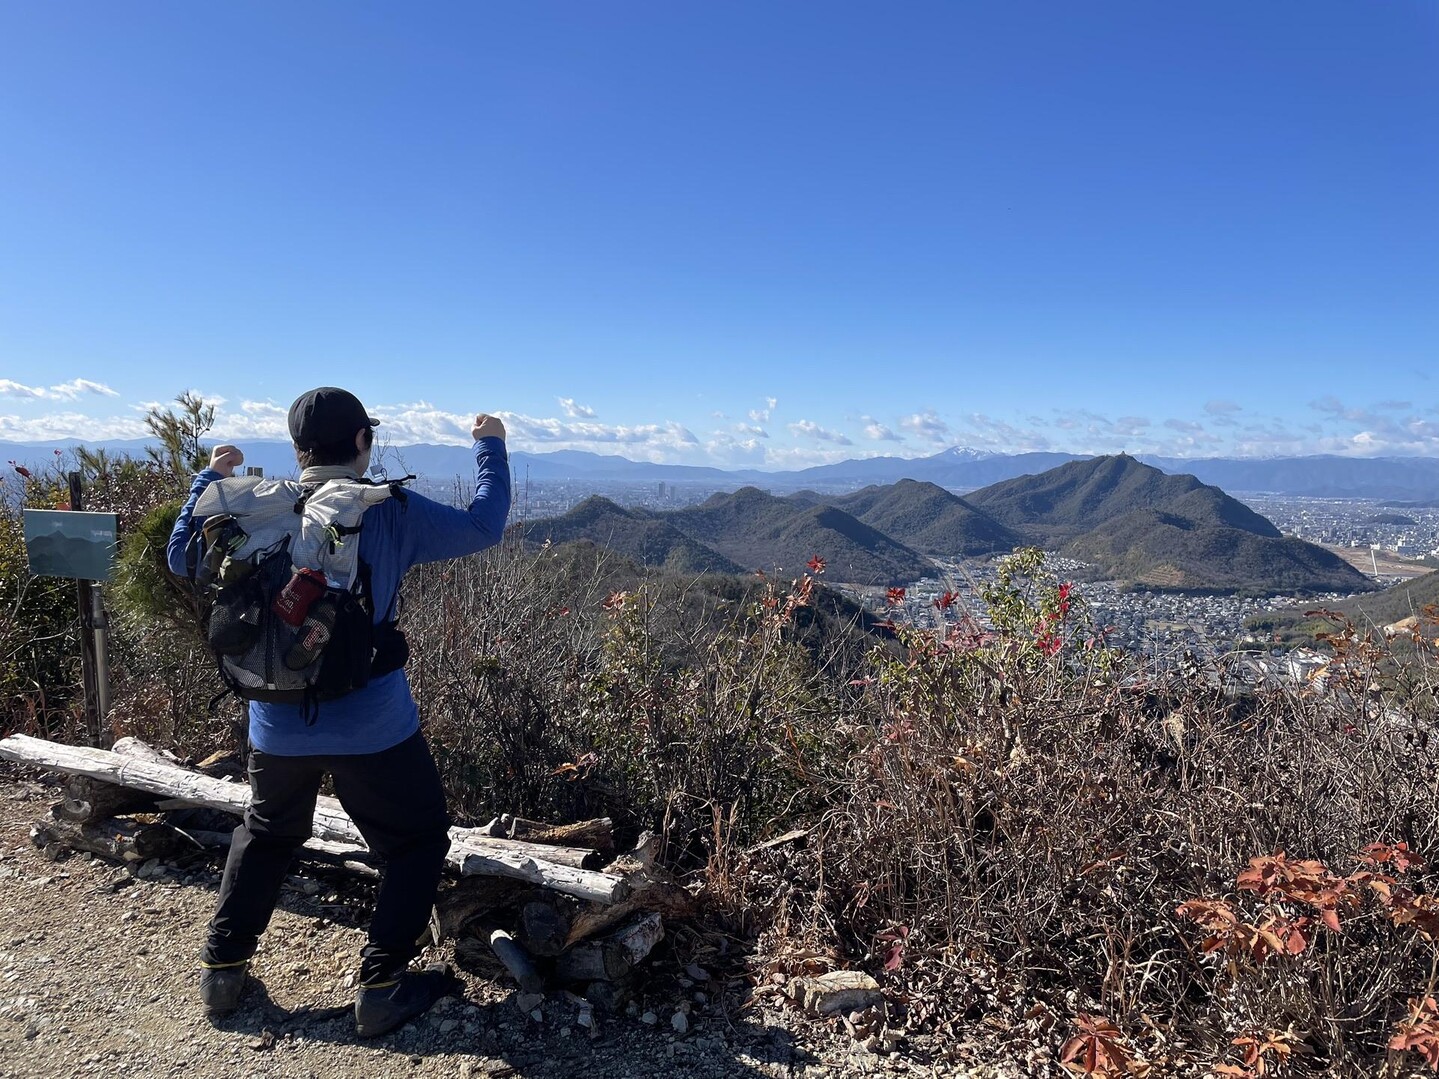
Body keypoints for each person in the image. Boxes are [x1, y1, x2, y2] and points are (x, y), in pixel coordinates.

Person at [166, 386, 511, 1036]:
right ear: (362, 443)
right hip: (373, 725)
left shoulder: (249, 508)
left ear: (297, 450)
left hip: (273, 723)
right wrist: (489, 444)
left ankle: (222, 969)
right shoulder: (387, 510)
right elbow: (483, 524)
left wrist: (208, 478)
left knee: (268, 833)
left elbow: (180, 553)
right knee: (415, 842)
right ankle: (380, 984)